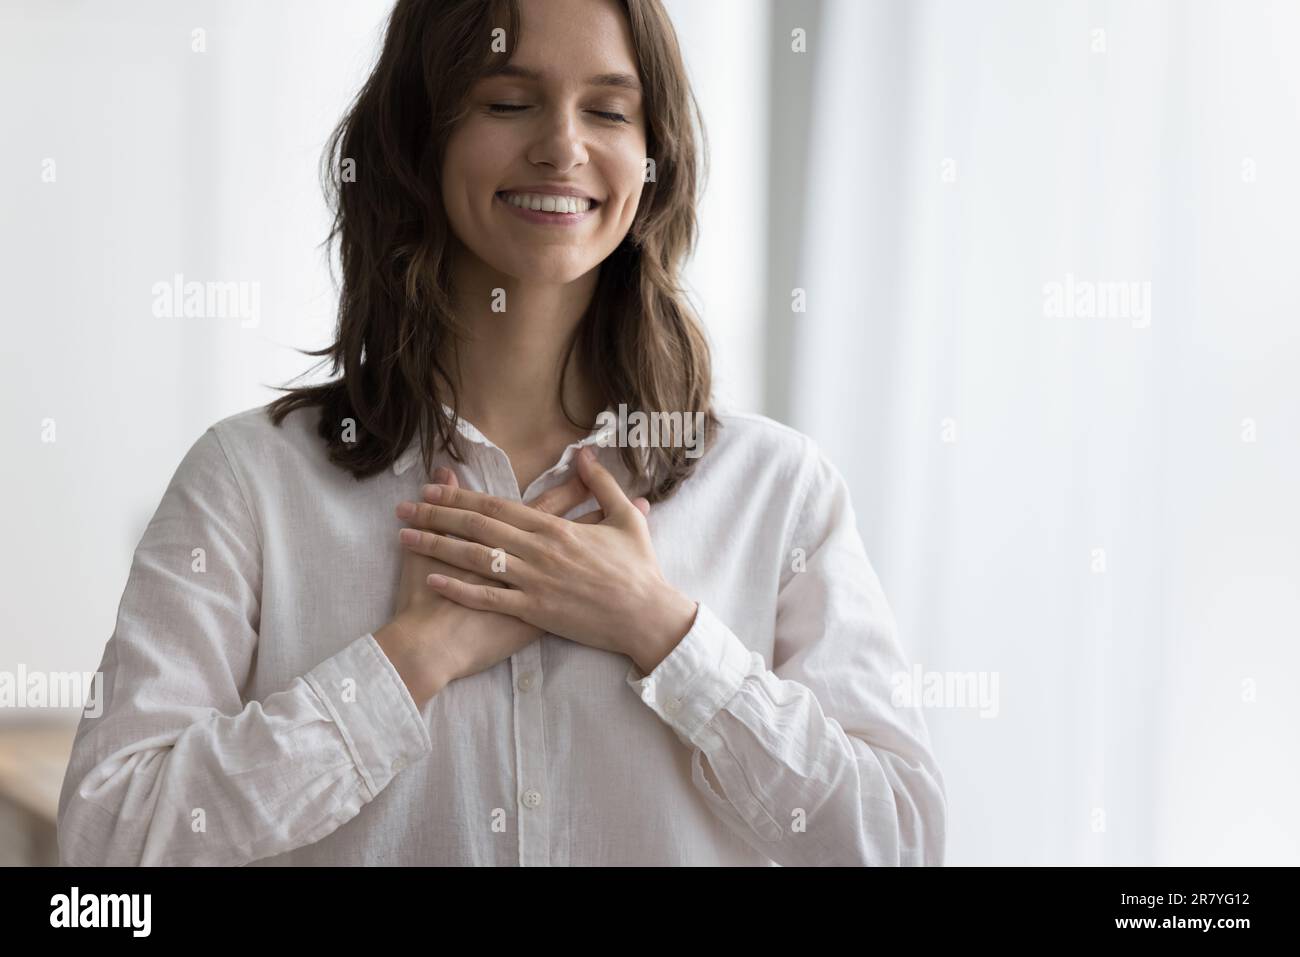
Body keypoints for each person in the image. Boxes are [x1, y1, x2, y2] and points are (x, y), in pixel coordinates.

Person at [57, 0, 946, 866]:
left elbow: (899, 843)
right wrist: (406, 663)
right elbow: (105, 846)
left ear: (652, 156)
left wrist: (666, 635)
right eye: (508, 102)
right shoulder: (247, 482)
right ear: (420, 136)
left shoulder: (779, 490)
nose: (562, 147)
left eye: (608, 109)